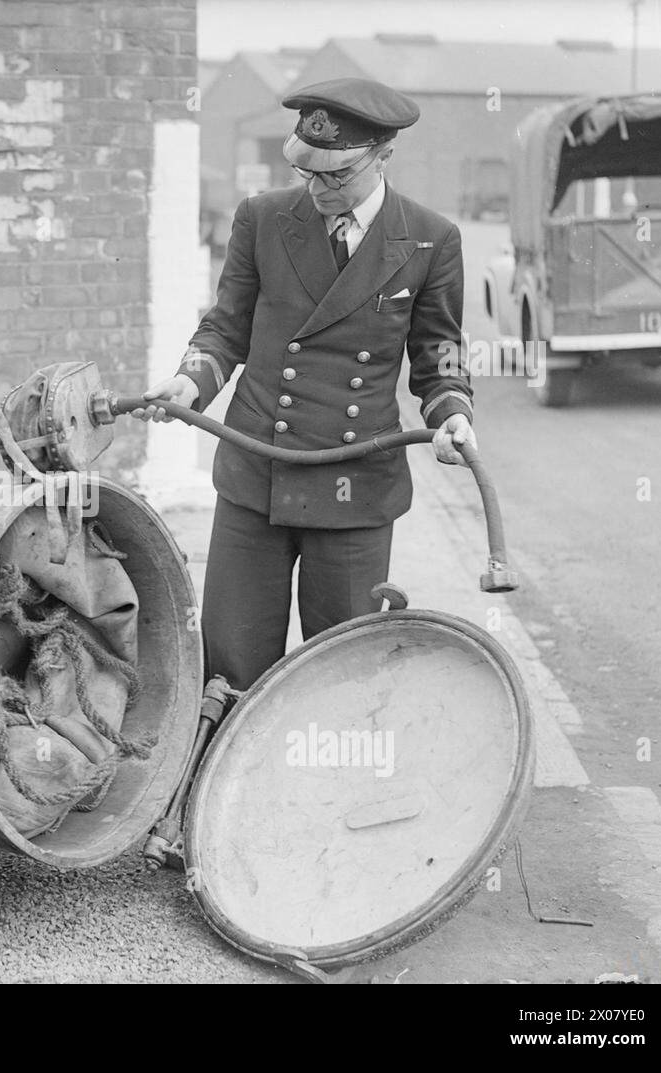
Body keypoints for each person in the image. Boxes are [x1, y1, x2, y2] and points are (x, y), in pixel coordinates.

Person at [135, 77, 476, 691]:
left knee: (342, 670)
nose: (316, 189)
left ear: (382, 157)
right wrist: (189, 384)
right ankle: (220, 780)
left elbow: (438, 349)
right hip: (255, 475)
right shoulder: (262, 218)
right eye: (306, 172)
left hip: (354, 483)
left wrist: (451, 411)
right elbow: (224, 328)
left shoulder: (430, 238)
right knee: (229, 666)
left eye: (335, 176)